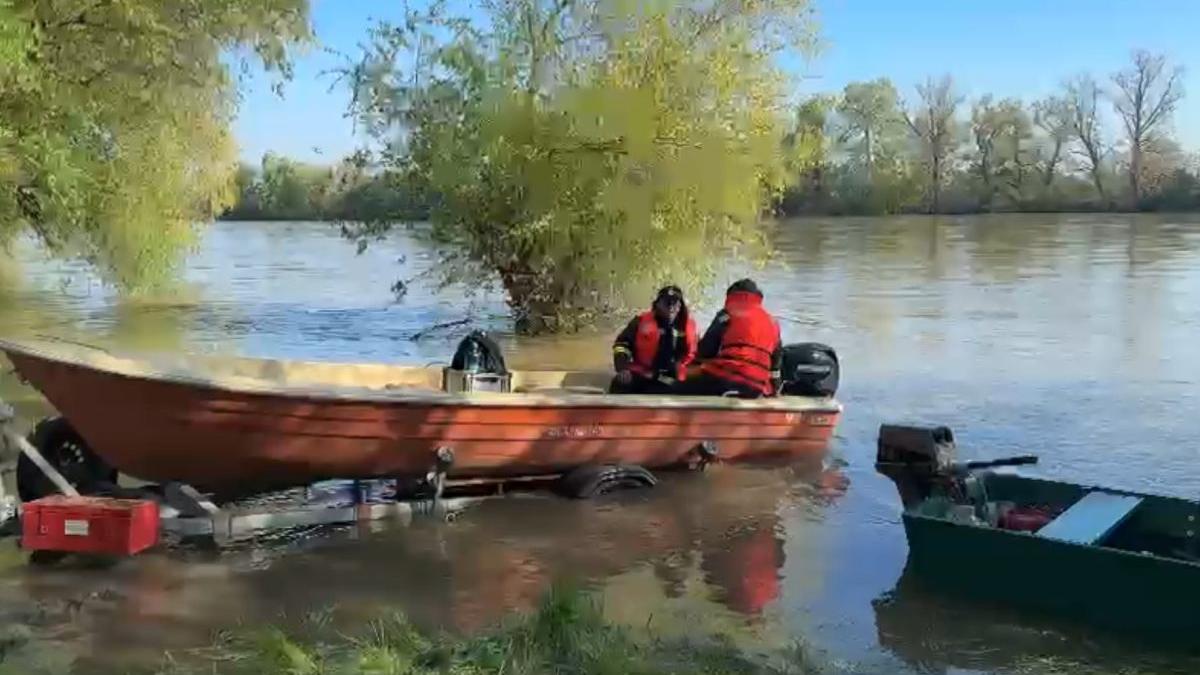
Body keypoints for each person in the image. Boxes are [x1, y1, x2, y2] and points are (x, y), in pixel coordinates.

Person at [675, 278, 782, 398]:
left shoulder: (727, 314)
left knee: (672, 384)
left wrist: (689, 365)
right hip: (757, 387)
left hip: (726, 379)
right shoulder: (773, 322)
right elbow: (775, 366)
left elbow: (706, 349)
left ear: (731, 295)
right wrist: (775, 390)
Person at [610, 285, 698, 394]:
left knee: (697, 387)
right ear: (658, 304)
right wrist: (622, 368)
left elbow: (696, 355)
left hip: (674, 378)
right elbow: (622, 345)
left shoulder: (689, 326)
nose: (671, 307)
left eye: (674, 303)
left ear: (680, 306)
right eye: (667, 302)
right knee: (620, 383)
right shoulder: (639, 322)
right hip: (644, 374)